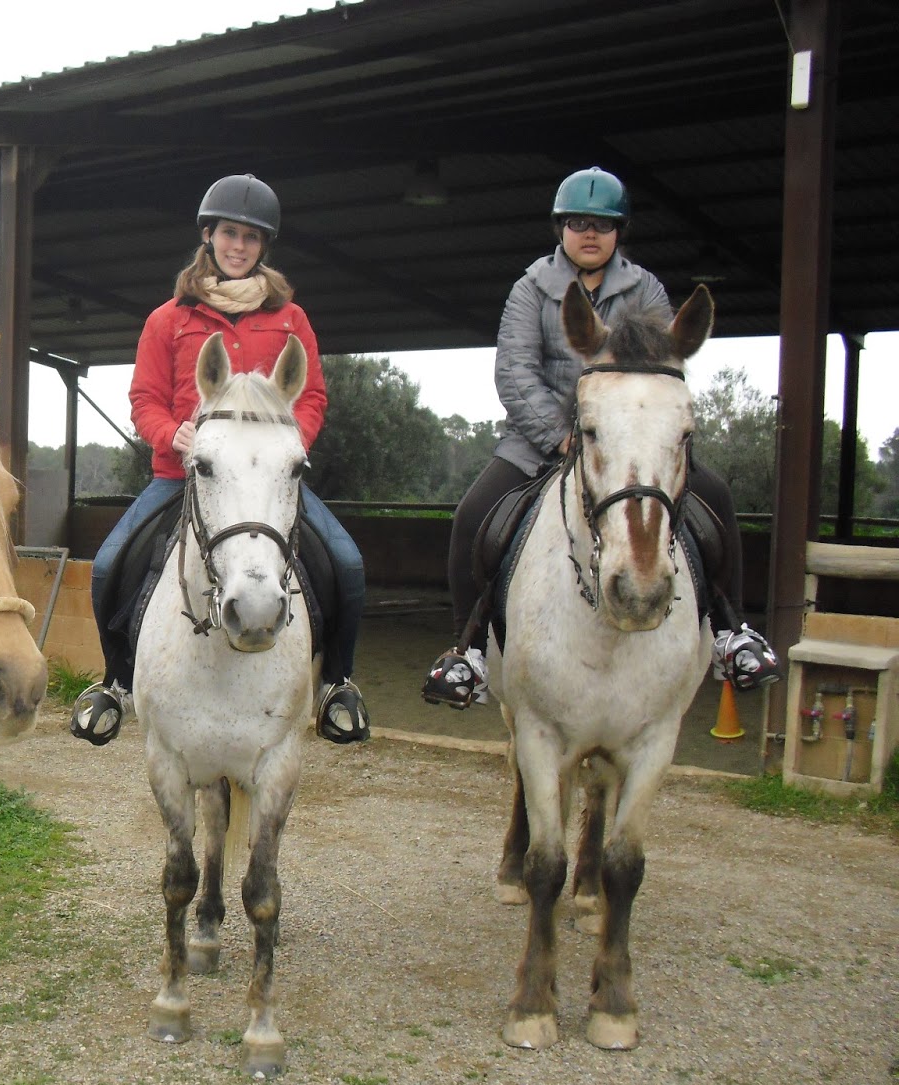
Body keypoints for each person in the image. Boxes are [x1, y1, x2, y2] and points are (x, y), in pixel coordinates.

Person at [421, 166, 781, 709]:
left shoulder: (646, 290)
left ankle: (732, 629)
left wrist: (623, 432)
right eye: (578, 222)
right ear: (560, 227)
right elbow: (515, 372)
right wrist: (563, 436)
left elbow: (661, 368)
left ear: (620, 231)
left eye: (603, 224)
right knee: (471, 515)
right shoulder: (530, 289)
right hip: (541, 440)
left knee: (718, 498)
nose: (590, 233)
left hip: (628, 441)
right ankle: (467, 651)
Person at [70, 173, 369, 747]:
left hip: (267, 485)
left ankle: (336, 684)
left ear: (263, 248)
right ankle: (117, 682)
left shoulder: (291, 320)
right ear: (209, 236)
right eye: (230, 234)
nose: (239, 247)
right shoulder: (169, 320)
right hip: (181, 477)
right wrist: (172, 435)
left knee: (348, 564)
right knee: (110, 564)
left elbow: (311, 397)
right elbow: (144, 399)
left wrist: (290, 445)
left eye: (252, 239)